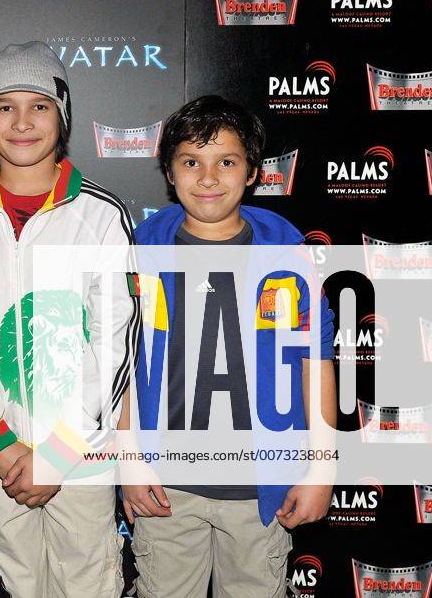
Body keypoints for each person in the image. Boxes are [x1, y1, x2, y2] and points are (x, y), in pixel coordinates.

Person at [125, 95, 336, 598]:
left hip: (258, 492)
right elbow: (128, 361)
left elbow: (315, 361)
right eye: (190, 162)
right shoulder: (143, 250)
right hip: (166, 487)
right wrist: (129, 458)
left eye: (226, 162)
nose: (208, 177)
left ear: (253, 172)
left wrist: (322, 468)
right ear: (169, 173)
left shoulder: (285, 255)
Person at [0, 41, 138, 597]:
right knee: (8, 587)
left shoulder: (102, 215)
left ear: (62, 116)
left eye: (39, 105)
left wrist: (60, 452)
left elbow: (115, 347)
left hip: (79, 460)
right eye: (5, 106)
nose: (22, 122)